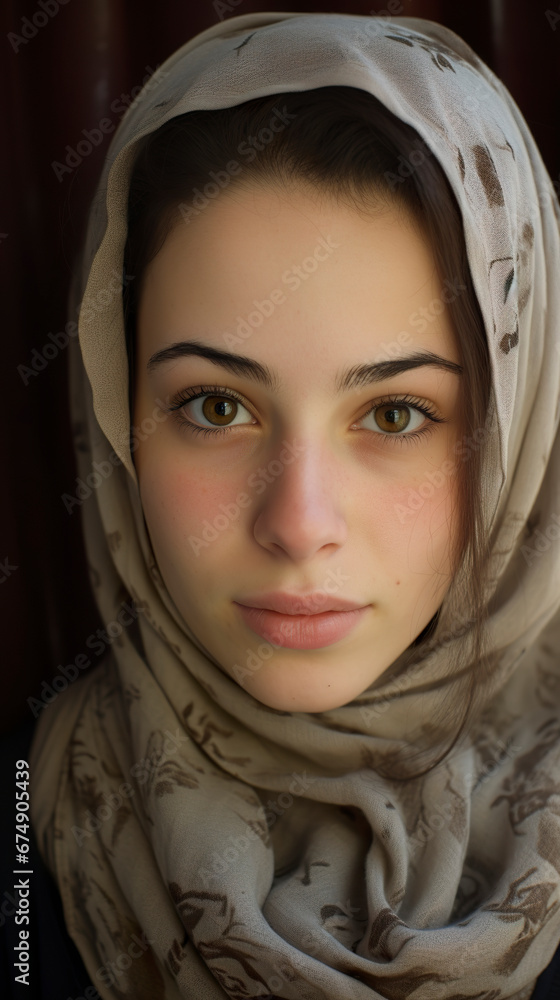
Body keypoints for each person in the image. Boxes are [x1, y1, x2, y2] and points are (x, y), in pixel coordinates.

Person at [15, 9, 560, 999]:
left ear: (517, 430)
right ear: (116, 413)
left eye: (395, 413)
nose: (299, 524)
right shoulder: (27, 831)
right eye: (216, 407)